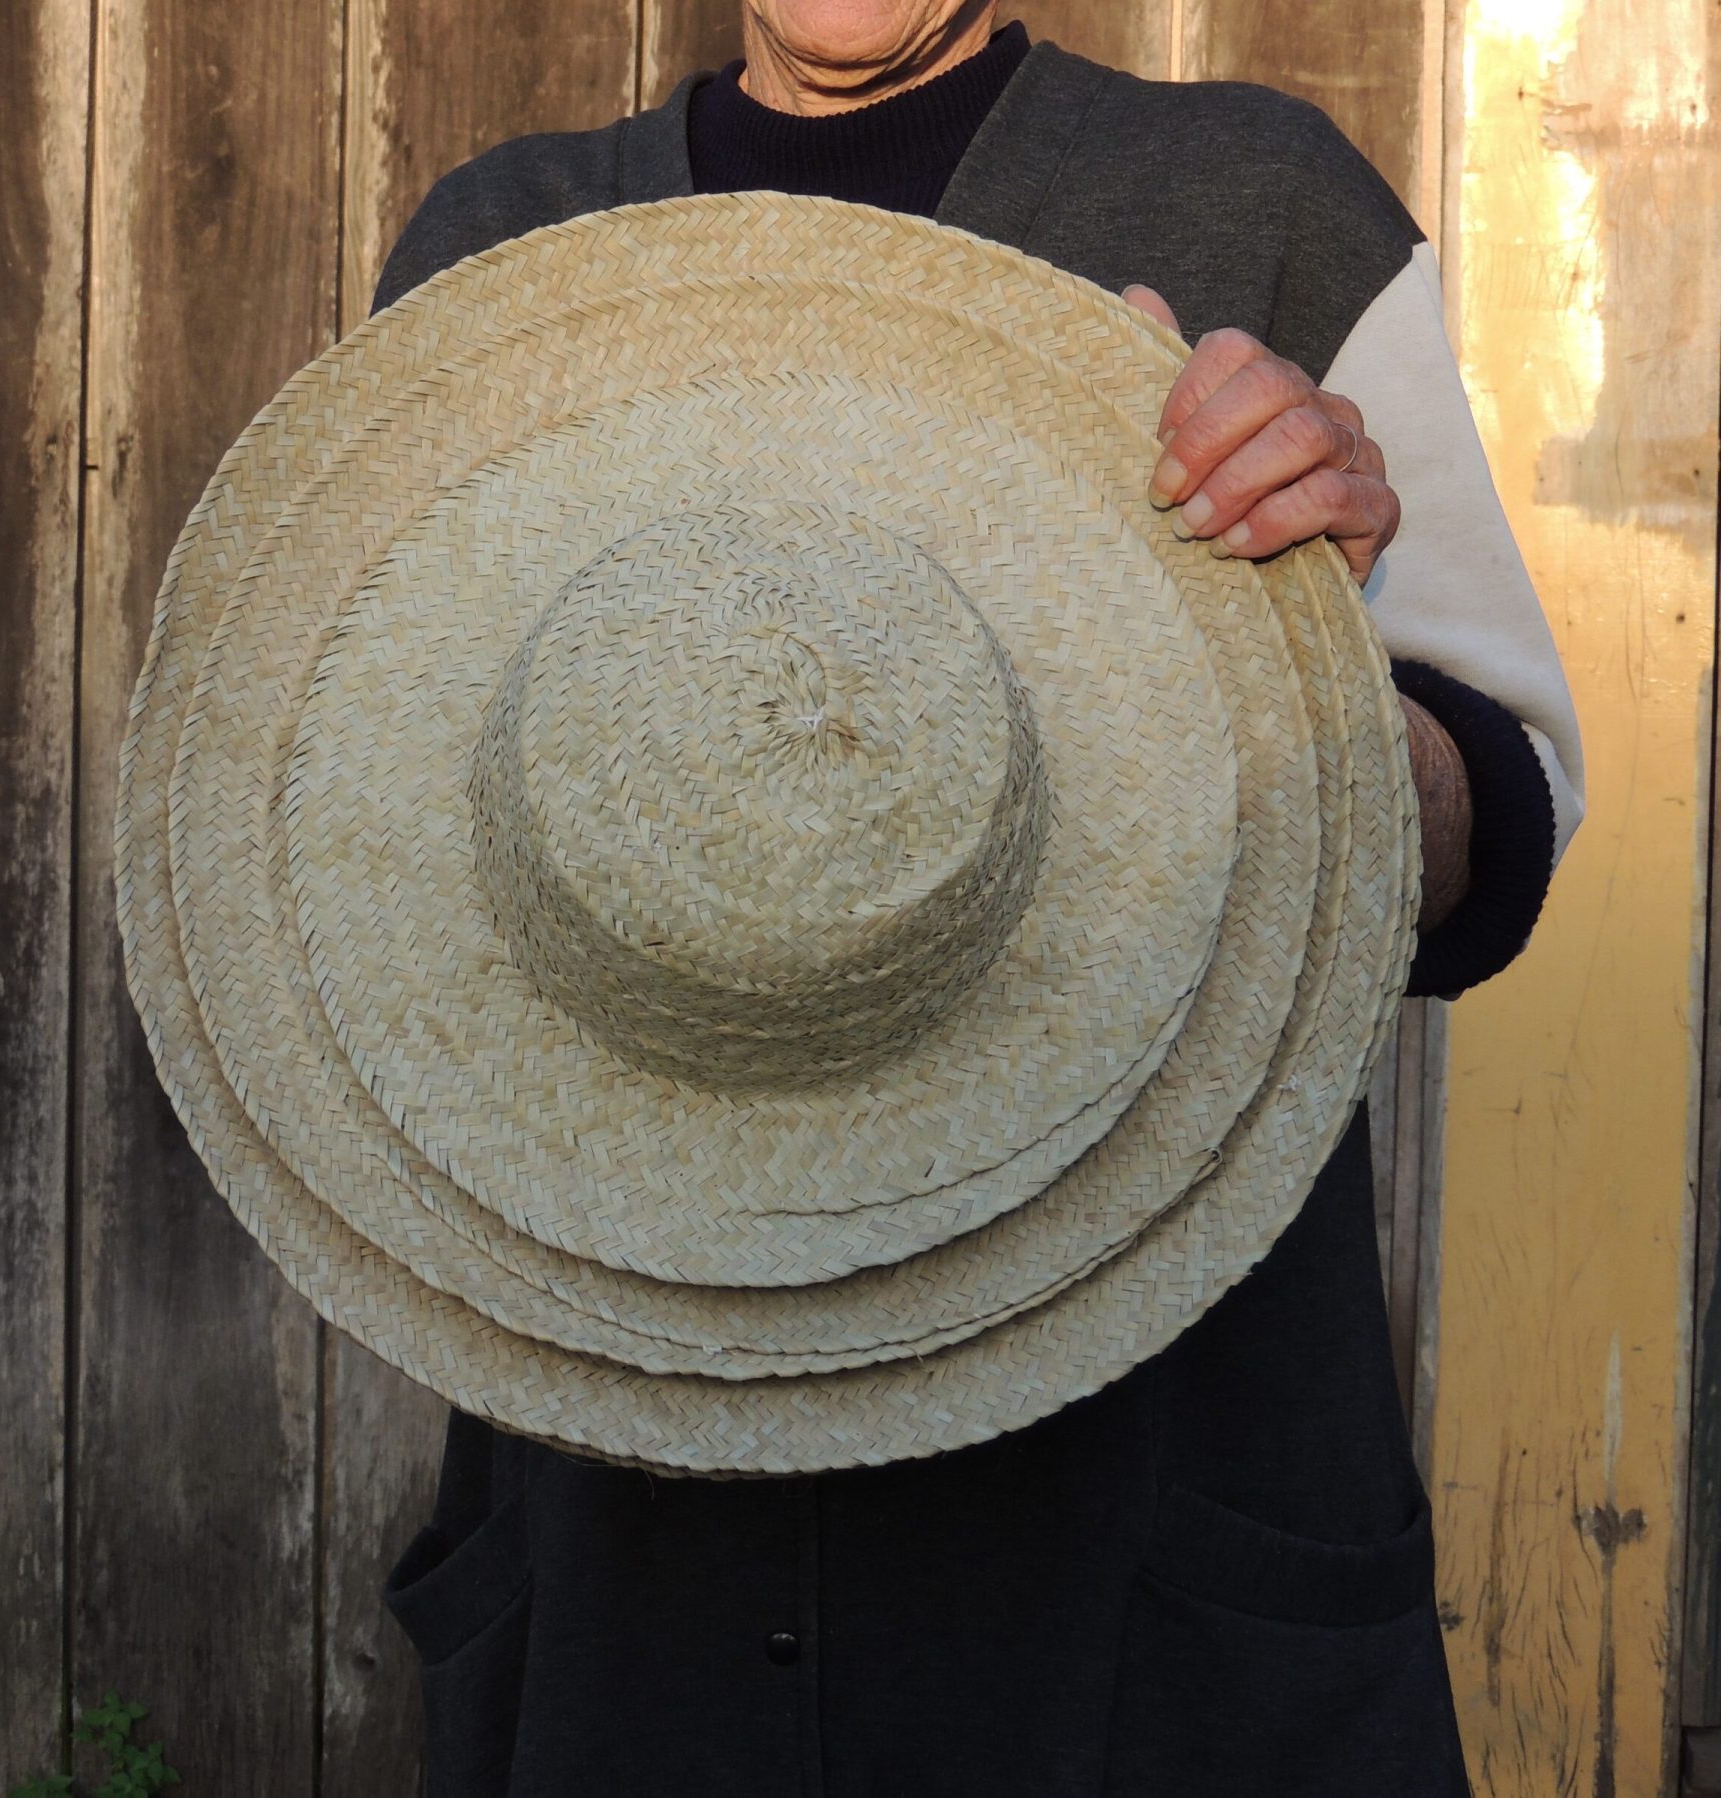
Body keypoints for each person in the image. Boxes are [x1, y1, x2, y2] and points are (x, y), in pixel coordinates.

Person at [369, 6, 1586, 1794]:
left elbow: (1507, 822)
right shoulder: (497, 259)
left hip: (1152, 1562)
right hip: (637, 1586)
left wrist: (1310, 668)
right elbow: (385, 853)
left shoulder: (1266, 210)